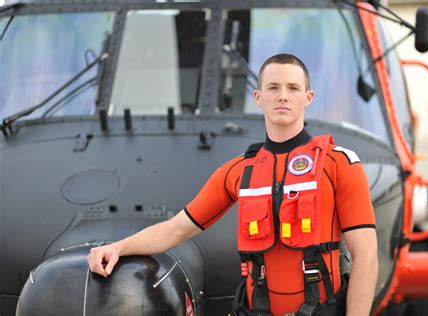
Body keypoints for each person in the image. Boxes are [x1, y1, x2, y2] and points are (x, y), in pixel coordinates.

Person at [88, 54, 378, 316]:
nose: (283, 97)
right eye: (273, 88)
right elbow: (177, 228)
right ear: (258, 96)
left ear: (308, 97)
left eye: (293, 88)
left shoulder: (338, 164)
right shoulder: (238, 171)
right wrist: (118, 248)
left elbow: (365, 256)